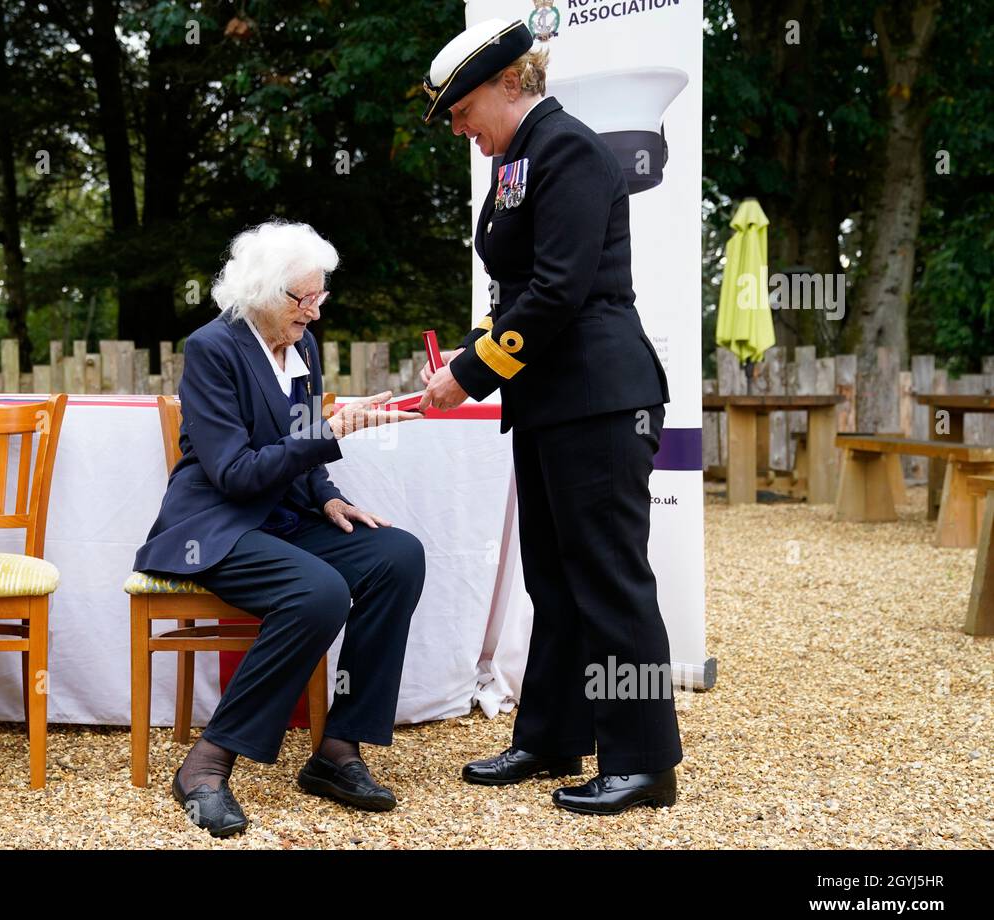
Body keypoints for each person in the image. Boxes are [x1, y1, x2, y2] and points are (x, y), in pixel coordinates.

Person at [417, 19, 683, 815]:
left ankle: (642, 761)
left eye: (462, 111)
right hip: (553, 400)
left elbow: (562, 291)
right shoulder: (522, 160)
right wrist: (469, 353)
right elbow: (519, 294)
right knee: (556, 581)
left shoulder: (563, 148)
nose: (460, 129)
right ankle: (552, 735)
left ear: (509, 82)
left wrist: (470, 373)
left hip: (599, 394)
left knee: (609, 575)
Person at [134, 220, 426, 837]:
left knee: (398, 556)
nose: (314, 313)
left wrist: (329, 498)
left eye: (320, 297)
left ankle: (337, 750)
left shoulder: (302, 349)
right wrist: (331, 433)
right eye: (304, 299)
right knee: (318, 592)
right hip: (216, 525)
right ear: (265, 291)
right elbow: (236, 474)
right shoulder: (213, 349)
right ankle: (206, 765)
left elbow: (301, 449)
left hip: (286, 518)